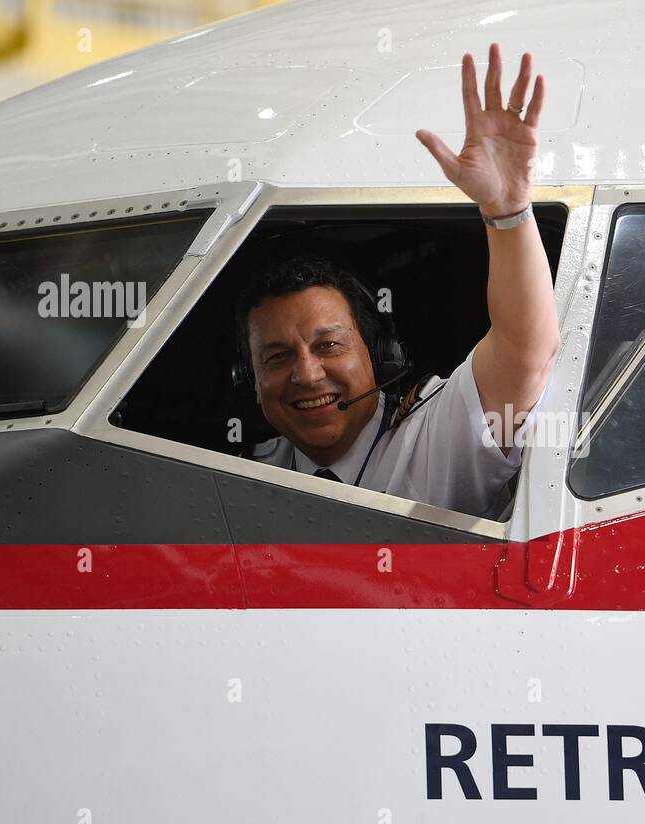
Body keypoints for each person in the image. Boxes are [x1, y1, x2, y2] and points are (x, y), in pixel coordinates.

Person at [238, 43, 558, 518]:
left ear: (380, 353)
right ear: (251, 380)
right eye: (278, 357)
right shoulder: (241, 476)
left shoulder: (435, 438)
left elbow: (525, 349)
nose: (306, 375)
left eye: (328, 346)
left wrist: (507, 212)